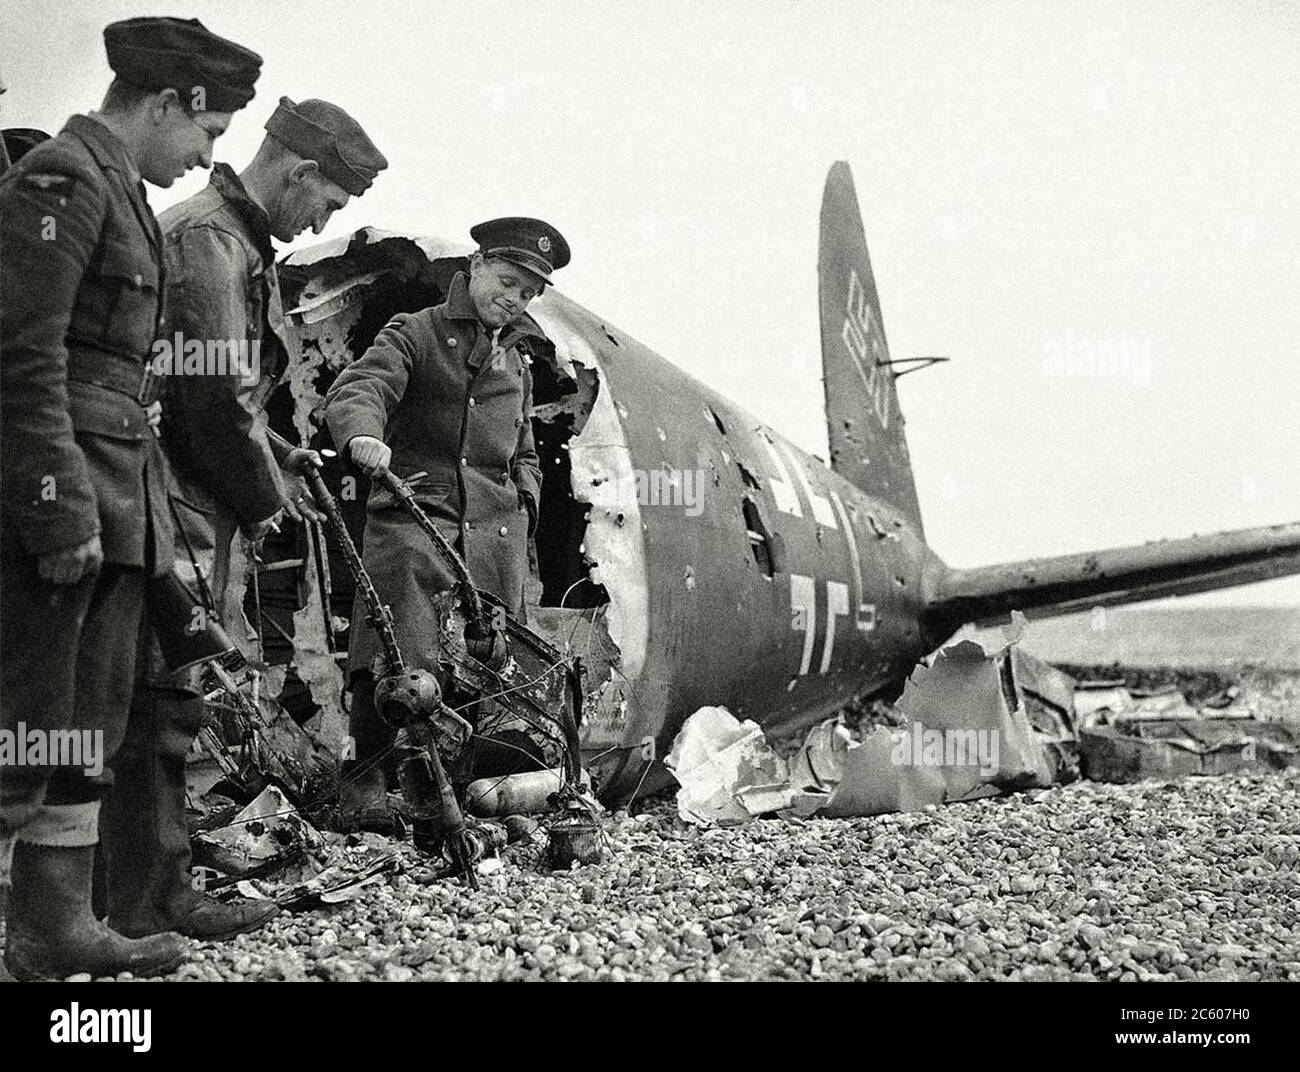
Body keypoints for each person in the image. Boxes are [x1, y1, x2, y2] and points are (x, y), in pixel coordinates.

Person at [0, 16, 261, 982]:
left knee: (86, 719)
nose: (204, 154)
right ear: (165, 104)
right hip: (64, 497)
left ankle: (51, 929)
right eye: (208, 133)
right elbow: (21, 359)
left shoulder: (127, 197)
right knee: (21, 720)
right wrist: (53, 503)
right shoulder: (60, 182)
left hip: (118, 500)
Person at [98, 97, 388, 941]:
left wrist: (279, 454)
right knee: (159, 694)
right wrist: (267, 499)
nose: (323, 221)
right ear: (300, 173)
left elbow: (235, 400)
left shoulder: (231, 240)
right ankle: (148, 898)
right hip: (167, 500)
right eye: (328, 204)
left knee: (158, 694)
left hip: (181, 500)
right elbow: (213, 400)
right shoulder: (212, 240)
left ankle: (130, 886)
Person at [324, 218, 569, 831]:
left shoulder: (518, 362)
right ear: (478, 265)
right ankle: (367, 782)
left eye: (527, 293)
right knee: (394, 643)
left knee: (479, 661)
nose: (512, 299)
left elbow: (526, 451)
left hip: (493, 535)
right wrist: (362, 436)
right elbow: (364, 386)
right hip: (417, 514)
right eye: (507, 281)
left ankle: (444, 787)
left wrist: (526, 501)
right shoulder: (417, 331)